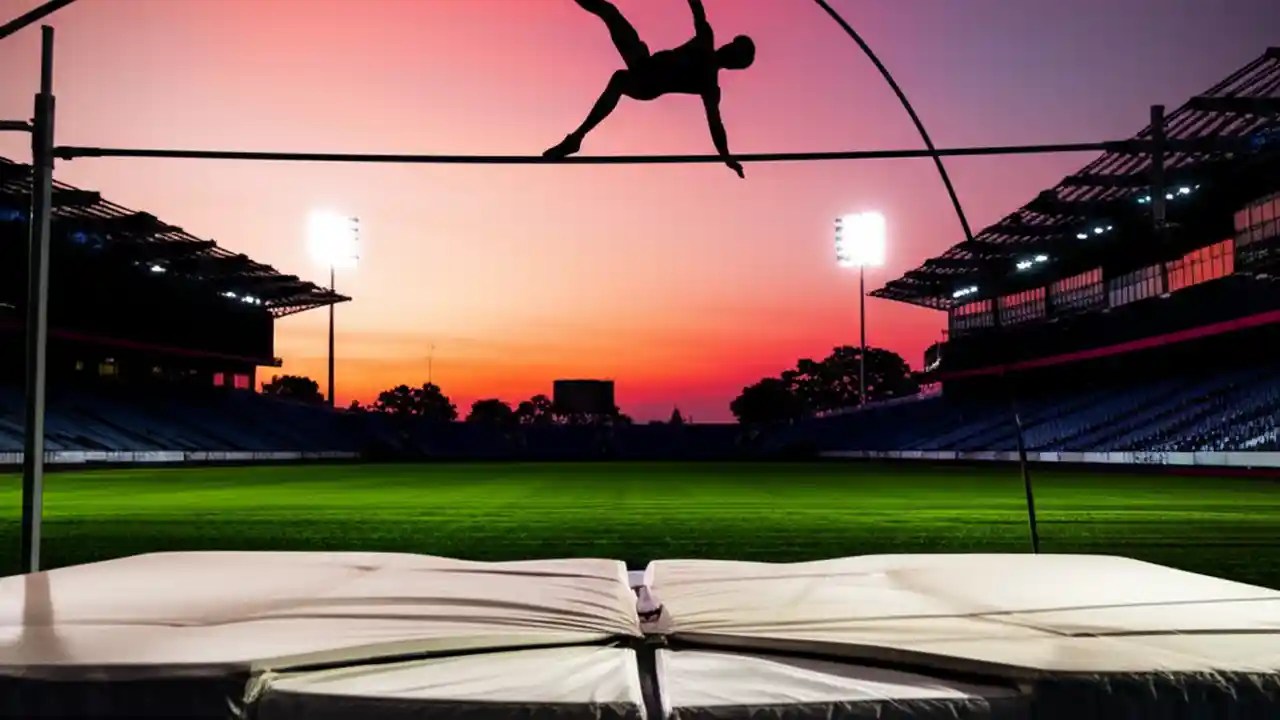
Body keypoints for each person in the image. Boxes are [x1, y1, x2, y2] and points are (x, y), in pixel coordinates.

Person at [544, 0, 755, 178]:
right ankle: (575, 140)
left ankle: (576, 139)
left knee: (619, 78)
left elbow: (716, 125)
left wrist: (726, 157)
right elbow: (696, 7)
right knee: (610, 12)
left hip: (647, 85)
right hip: (643, 64)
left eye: (736, 51)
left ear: (733, 62)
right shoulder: (705, 41)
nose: (730, 47)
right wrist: (726, 156)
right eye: (735, 45)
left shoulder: (709, 84)